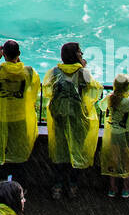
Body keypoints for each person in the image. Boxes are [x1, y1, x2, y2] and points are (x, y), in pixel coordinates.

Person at [0, 40, 41, 181]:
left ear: (3, 54)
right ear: (19, 54)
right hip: (19, 118)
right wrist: (15, 59)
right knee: (18, 154)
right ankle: (16, 185)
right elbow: (33, 88)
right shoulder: (28, 72)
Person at [43, 42, 103, 198]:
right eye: (80, 52)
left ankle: (57, 186)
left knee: (60, 151)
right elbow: (95, 91)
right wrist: (83, 68)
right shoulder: (83, 73)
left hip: (59, 116)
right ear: (77, 55)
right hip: (78, 117)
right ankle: (73, 186)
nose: (82, 54)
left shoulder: (55, 71)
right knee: (76, 151)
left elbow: (48, 90)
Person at [97, 74, 129, 198]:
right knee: (126, 162)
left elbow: (101, 106)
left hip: (112, 134)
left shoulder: (110, 98)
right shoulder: (127, 101)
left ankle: (112, 189)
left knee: (113, 161)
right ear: (127, 88)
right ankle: (126, 188)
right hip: (125, 135)